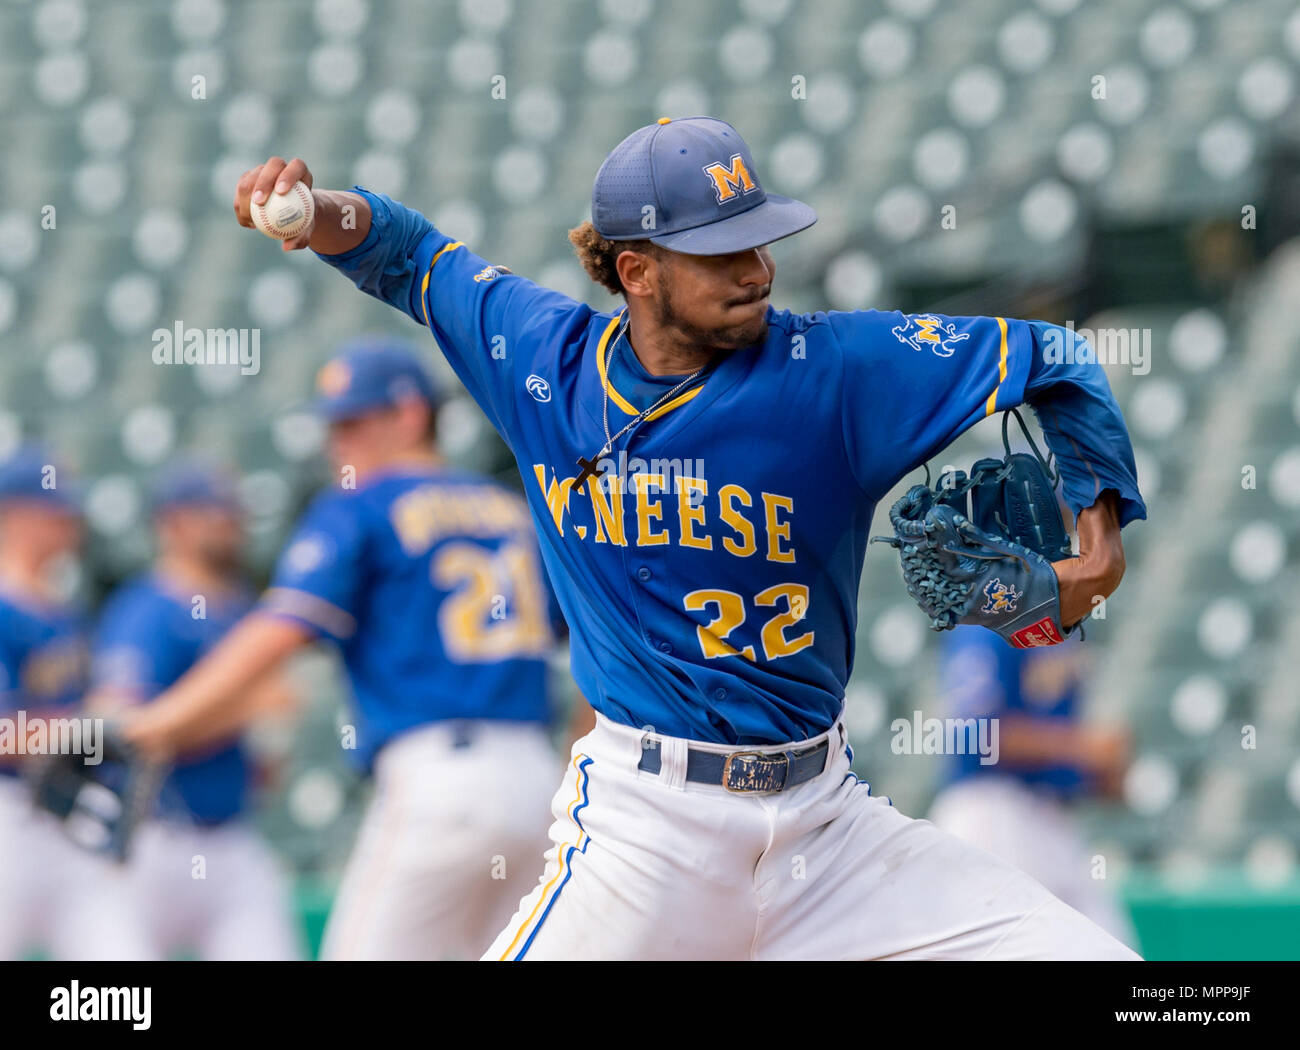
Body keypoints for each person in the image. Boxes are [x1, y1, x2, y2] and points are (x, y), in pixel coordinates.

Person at [138, 115, 1146, 959]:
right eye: (722, 251)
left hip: (827, 827)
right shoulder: (543, 362)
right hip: (647, 829)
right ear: (637, 270)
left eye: (761, 241)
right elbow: (405, 254)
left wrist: (1095, 544)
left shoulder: (837, 371)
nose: (756, 269)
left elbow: (1054, 356)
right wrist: (319, 216)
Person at [123, 341, 561, 960]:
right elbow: (596, 649)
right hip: (536, 786)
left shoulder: (361, 505)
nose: (339, 443)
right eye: (334, 426)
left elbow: (277, 632)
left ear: (411, 414)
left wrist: (151, 727)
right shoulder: (513, 511)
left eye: (353, 423)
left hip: (439, 781)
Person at [88, 463, 303, 960]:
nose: (231, 522)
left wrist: (258, 743)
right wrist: (242, 709)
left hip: (231, 838)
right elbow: (123, 735)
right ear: (174, 523)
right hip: (149, 841)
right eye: (215, 512)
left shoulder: (242, 605)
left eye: (232, 511)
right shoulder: (143, 609)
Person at [0, 445, 146, 960]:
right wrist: (89, 727)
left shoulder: (66, 610)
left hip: (71, 814)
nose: (72, 524)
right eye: (58, 511)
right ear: (17, 514)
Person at [927, 624, 1138, 949]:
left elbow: (1065, 751)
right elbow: (974, 737)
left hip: (1049, 816)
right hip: (988, 811)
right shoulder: (986, 620)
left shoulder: (1067, 625)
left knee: (1108, 945)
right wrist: (1082, 748)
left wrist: (1101, 773)